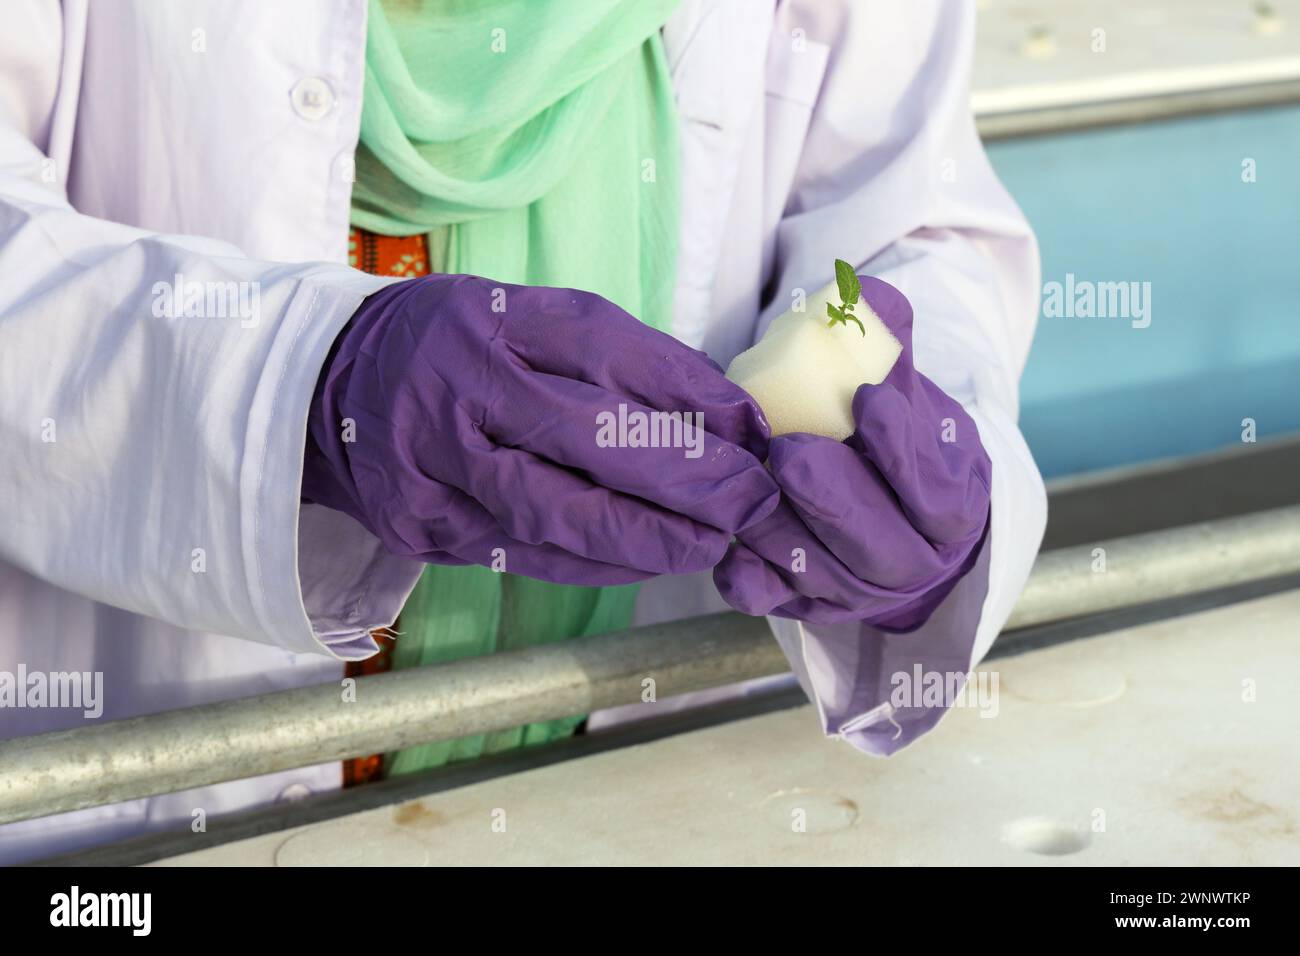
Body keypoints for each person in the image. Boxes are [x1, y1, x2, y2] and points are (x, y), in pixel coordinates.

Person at [0, 0, 1046, 864]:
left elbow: (909, 215)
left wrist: (923, 447)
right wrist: (302, 385)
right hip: (144, 788)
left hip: (632, 785)